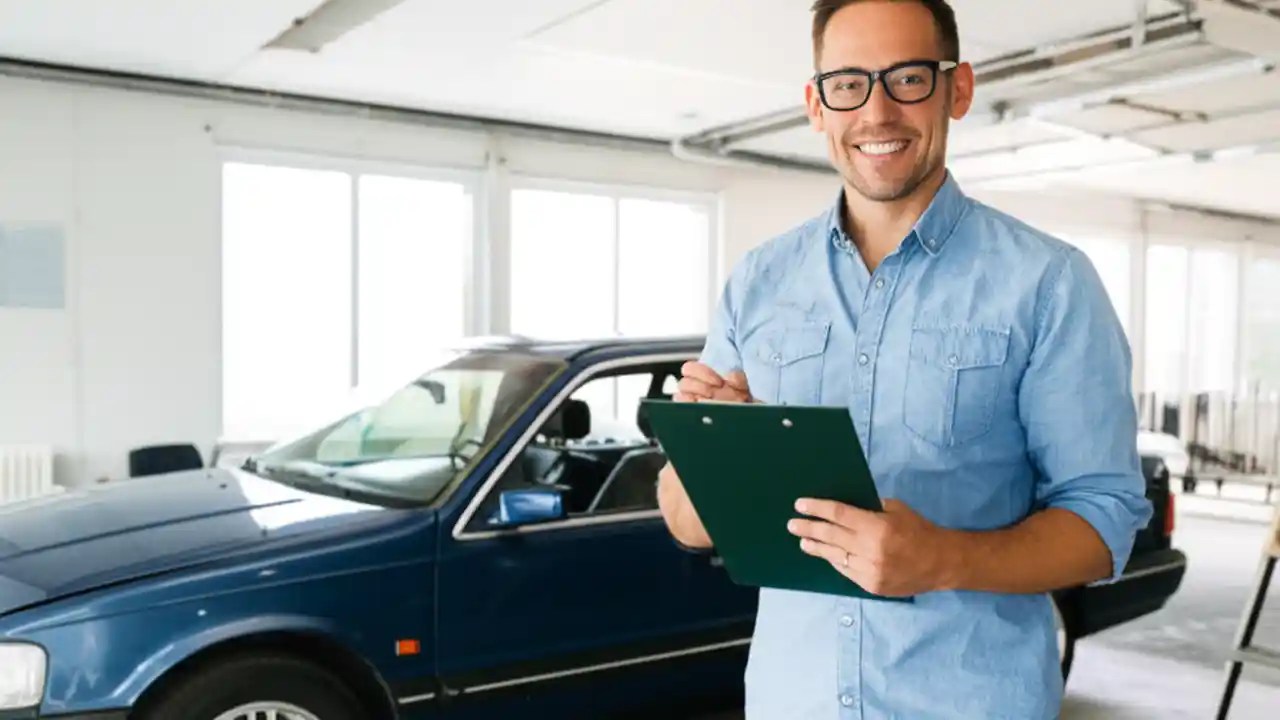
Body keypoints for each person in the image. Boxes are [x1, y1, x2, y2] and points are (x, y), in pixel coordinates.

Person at [655, 0, 1154, 717]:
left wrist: (949, 557)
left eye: (909, 78)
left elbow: (1105, 522)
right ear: (816, 104)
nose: (878, 111)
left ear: (958, 89)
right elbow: (686, 520)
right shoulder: (757, 283)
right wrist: (723, 450)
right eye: (849, 83)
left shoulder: (1049, 283)